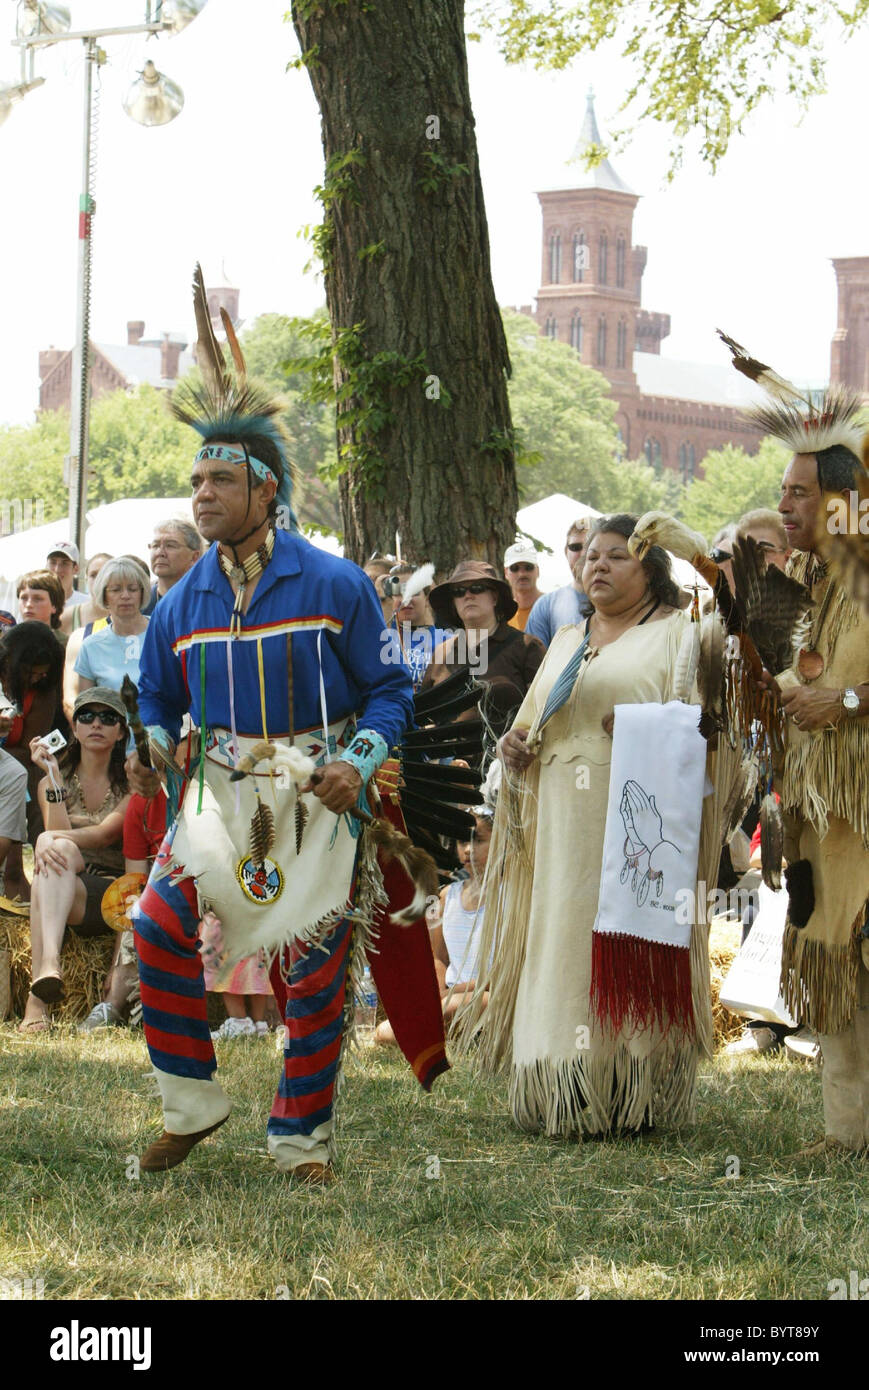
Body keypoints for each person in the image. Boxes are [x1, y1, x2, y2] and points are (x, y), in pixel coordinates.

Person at [124, 271, 444, 1182]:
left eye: (220, 479)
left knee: (313, 969)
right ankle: (191, 1101)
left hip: (317, 791)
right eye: (195, 480)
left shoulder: (334, 584)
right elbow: (154, 696)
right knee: (155, 925)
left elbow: (391, 691)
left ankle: (300, 1139)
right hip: (218, 799)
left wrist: (358, 759)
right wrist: (156, 742)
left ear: (266, 489)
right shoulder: (178, 601)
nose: (202, 495)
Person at [458, 514, 727, 1139]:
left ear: (651, 570)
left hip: (632, 820)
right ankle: (558, 1079)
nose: (598, 566)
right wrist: (515, 745)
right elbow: (529, 723)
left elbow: (707, 731)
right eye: (591, 558)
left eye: (618, 558)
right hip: (557, 819)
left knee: (616, 934)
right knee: (560, 934)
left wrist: (642, 727)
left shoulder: (677, 638)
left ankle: (625, 1088)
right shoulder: (567, 639)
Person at [747, 386, 869, 1157]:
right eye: (782, 492)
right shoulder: (806, 587)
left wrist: (849, 701)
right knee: (827, 959)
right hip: (818, 811)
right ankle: (845, 1129)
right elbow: (791, 688)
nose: (785, 504)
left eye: (801, 492)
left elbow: (834, 691)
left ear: (840, 504)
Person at [18, 687, 130, 1033]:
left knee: (52, 851)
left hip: (112, 896)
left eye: (108, 717)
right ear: (75, 729)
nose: (97, 724)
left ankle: (35, 1007)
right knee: (57, 856)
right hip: (70, 888)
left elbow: (104, 836)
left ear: (121, 732)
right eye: (87, 716)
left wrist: (47, 838)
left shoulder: (132, 780)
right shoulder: (56, 779)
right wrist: (50, 775)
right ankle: (49, 967)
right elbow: (62, 841)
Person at [424, 560, 545, 735]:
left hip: (506, 759)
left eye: (477, 588)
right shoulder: (441, 653)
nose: (468, 595)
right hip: (449, 760)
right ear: (453, 603)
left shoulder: (527, 647)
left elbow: (543, 713)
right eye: (459, 591)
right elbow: (425, 717)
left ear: (495, 597)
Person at [0, 620, 68, 900]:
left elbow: (31, 748)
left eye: (44, 674)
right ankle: (13, 874)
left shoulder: (43, 689)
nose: (38, 678)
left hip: (20, 766)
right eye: (32, 672)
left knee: (36, 779)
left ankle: (34, 874)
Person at [65, 557, 150, 724]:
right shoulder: (90, 646)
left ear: (142, 593)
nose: (125, 596)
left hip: (161, 744)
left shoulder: (162, 634)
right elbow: (85, 709)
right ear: (104, 596)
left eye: (132, 589)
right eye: (116, 590)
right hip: (111, 746)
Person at [381, 562, 451, 690]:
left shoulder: (447, 641)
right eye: (399, 592)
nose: (406, 599)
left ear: (427, 599)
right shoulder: (380, 640)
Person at [525, 519, 591, 648]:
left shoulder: (622, 602)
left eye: (589, 547)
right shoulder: (546, 606)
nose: (583, 553)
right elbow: (534, 663)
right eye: (575, 547)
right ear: (566, 552)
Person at [142, 519, 202, 616]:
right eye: (155, 545)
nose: (160, 553)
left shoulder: (204, 601)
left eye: (170, 546)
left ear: (194, 557)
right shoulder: (139, 604)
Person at [60, 552, 112, 637]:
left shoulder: (127, 616)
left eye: (105, 574)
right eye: (93, 575)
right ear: (86, 579)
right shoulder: (68, 616)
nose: (99, 580)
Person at [504, 543, 543, 632]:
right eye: (514, 568)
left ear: (538, 570)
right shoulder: (502, 617)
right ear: (506, 573)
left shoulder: (552, 608)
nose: (522, 574)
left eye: (528, 567)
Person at [17, 570, 66, 638]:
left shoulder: (67, 645)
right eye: (24, 598)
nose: (28, 604)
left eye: (37, 599)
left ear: (54, 606)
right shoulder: (7, 644)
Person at [46, 541, 87, 615]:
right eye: (53, 562)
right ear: (46, 566)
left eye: (64, 563)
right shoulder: (34, 602)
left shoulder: (86, 604)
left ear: (76, 569)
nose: (57, 569)